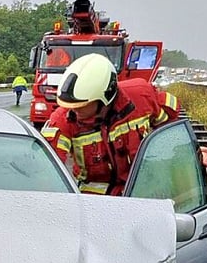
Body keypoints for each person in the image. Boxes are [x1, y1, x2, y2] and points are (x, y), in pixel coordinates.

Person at [40, 53, 195, 196]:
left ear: (106, 96)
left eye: (81, 105)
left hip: (145, 191)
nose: (74, 110)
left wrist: (190, 152)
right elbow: (46, 167)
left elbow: (170, 128)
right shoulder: (64, 119)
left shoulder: (142, 96)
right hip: (97, 203)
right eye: (70, 105)